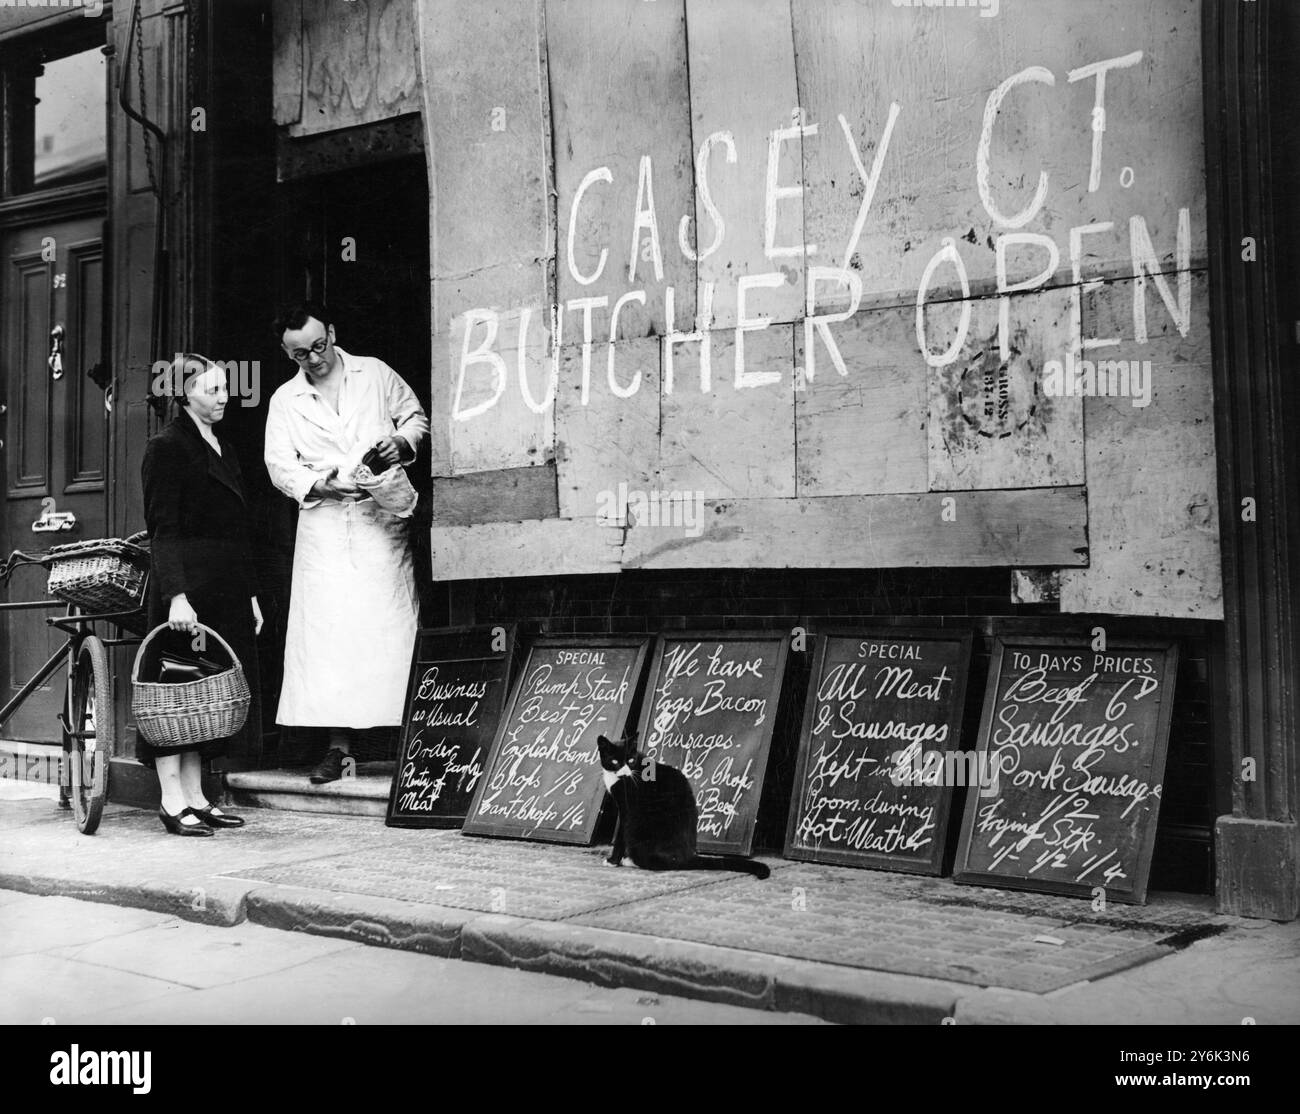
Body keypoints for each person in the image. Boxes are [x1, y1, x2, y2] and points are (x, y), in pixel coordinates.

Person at [263, 302, 429, 783]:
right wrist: (320, 487)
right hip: (327, 528)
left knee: (389, 629)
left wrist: (400, 444)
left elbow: (414, 417)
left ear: (332, 333)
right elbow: (278, 464)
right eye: (300, 355)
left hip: (381, 521)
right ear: (287, 354)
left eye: (318, 346)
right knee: (331, 637)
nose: (313, 359)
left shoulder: (374, 373)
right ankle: (338, 748)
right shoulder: (284, 400)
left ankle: (410, 745)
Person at [141, 355, 262, 835]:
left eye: (224, 388)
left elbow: (239, 530)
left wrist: (250, 594)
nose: (223, 397)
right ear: (184, 393)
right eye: (211, 390)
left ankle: (197, 795)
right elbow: (163, 530)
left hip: (225, 588)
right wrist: (176, 596)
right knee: (176, 692)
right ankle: (172, 801)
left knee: (204, 695)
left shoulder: (223, 446)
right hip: (187, 591)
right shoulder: (166, 447)